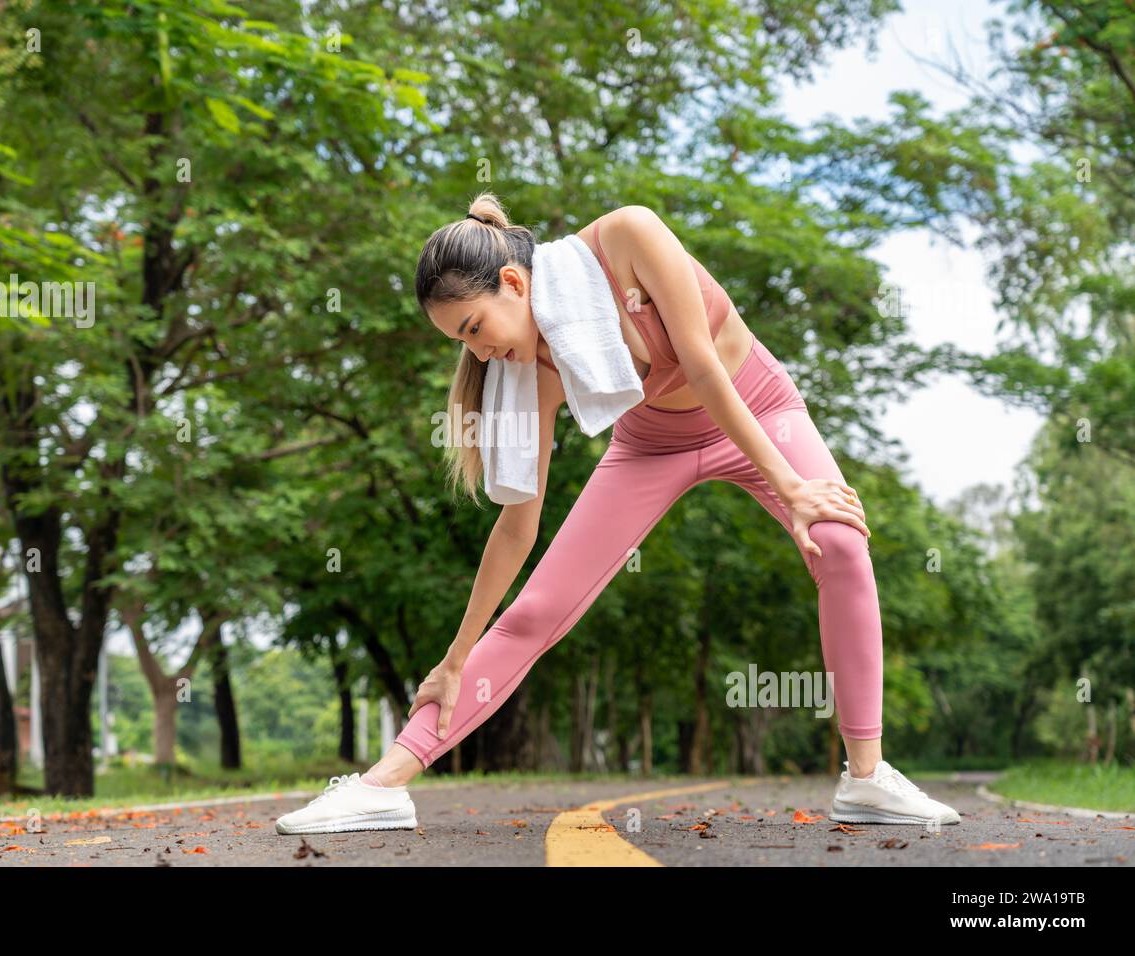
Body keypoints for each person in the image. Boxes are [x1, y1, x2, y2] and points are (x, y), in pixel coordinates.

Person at [275, 193, 960, 836]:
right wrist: (454, 659)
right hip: (649, 446)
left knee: (839, 542)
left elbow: (701, 365)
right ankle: (382, 784)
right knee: (536, 611)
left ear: (514, 283)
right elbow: (517, 525)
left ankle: (866, 778)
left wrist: (791, 485)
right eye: (463, 343)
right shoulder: (531, 368)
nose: (480, 353)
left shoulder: (629, 236)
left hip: (756, 410)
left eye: (476, 328)